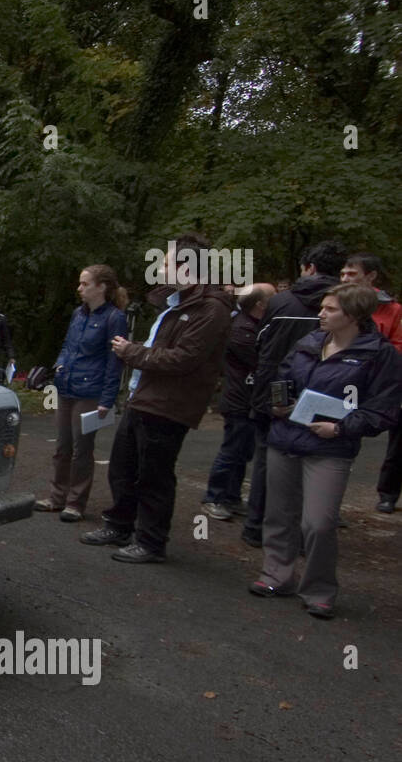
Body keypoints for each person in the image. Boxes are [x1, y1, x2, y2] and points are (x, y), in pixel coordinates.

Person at [250, 283, 402, 618]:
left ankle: (319, 589)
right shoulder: (309, 342)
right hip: (286, 437)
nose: (321, 314)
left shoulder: (379, 354)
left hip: (330, 447)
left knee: (318, 522)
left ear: (353, 315)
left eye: (330, 309)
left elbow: (384, 409)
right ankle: (277, 575)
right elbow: (283, 377)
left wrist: (341, 428)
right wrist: (277, 404)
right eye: (322, 307)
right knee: (278, 514)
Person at [81, 233, 233, 563]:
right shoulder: (175, 302)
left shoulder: (211, 309)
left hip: (169, 404)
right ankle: (119, 525)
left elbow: (183, 359)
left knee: (154, 475)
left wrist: (131, 352)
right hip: (144, 396)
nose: (160, 268)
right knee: (123, 466)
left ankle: (151, 542)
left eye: (166, 263)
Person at [242, 240, 347, 546]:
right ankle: (301, 533)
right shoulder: (348, 307)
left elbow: (260, 344)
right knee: (317, 462)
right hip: (326, 394)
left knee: (267, 458)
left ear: (309, 268)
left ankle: (256, 526)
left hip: (276, 391)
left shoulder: (282, 302)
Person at [35, 265, 129, 522]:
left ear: (102, 287)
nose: (79, 288)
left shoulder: (114, 318)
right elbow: (68, 344)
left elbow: (115, 361)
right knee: (62, 446)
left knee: (82, 449)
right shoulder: (78, 313)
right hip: (67, 385)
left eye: (85, 284)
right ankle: (56, 497)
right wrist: (59, 364)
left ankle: (75, 502)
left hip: (91, 390)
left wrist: (108, 399)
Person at [201, 284, 275, 520]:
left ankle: (231, 496)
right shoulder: (242, 330)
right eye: (272, 297)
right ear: (260, 304)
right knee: (232, 450)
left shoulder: (256, 326)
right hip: (240, 400)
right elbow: (261, 362)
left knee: (243, 451)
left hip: (249, 399)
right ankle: (213, 497)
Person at [340, 253, 402, 512]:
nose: (345, 278)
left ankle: (388, 492)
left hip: (382, 379)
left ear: (371, 276)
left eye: (351, 274)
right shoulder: (335, 303)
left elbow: (398, 344)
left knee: (396, 439)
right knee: (339, 436)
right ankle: (331, 499)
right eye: (342, 274)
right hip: (343, 378)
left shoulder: (391, 309)